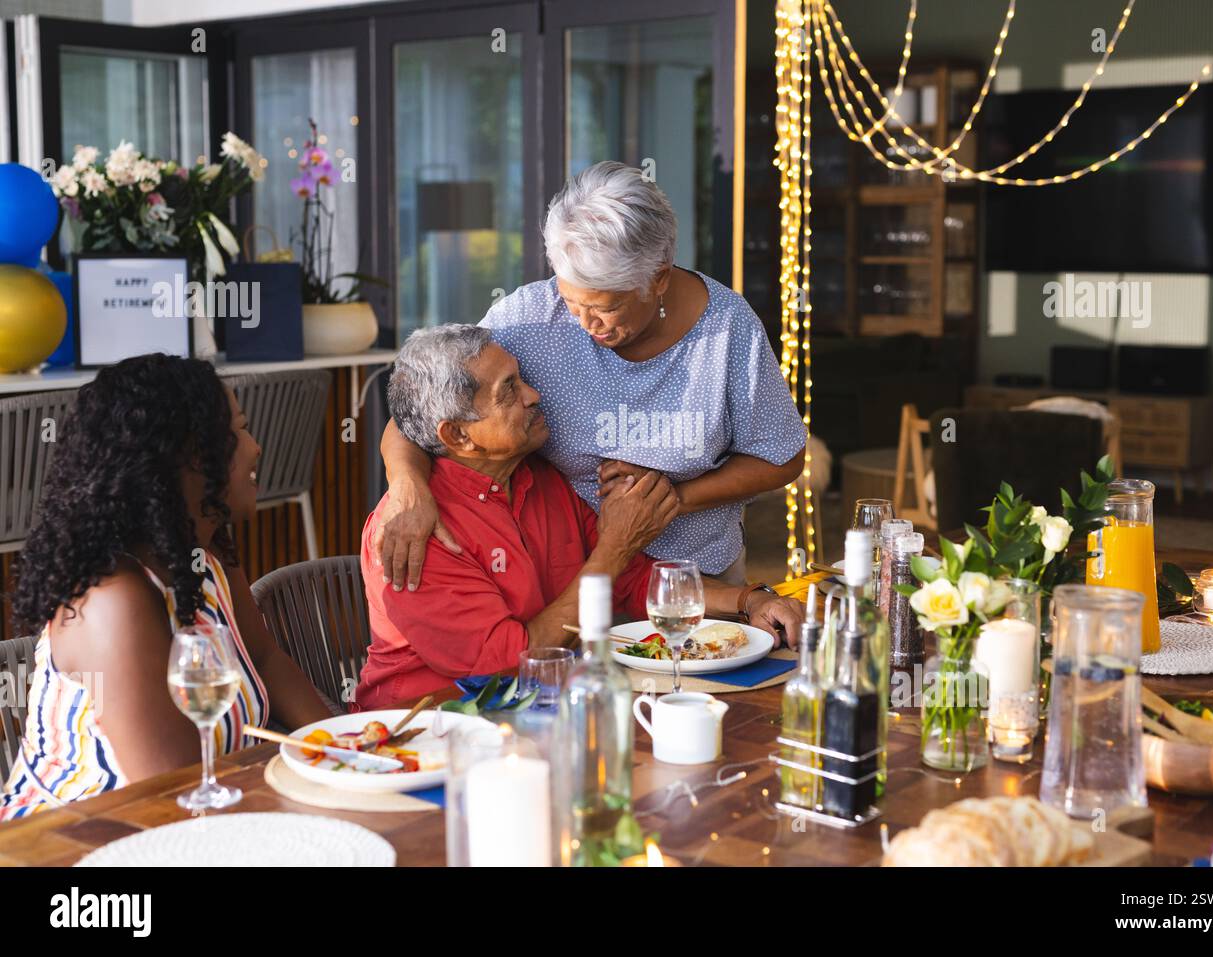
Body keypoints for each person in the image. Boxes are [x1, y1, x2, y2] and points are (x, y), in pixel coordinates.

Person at [375, 161, 807, 591]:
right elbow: (424, 414)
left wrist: (668, 500)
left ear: (658, 279)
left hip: (696, 581)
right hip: (562, 584)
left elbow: (780, 457)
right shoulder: (529, 320)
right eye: (571, 301)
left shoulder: (727, 327)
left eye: (606, 307)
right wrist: (409, 488)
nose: (585, 323)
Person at [355, 325, 805, 710]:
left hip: (546, 713)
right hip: (429, 734)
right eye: (509, 390)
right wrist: (615, 547)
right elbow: (509, 664)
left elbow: (633, 580)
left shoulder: (539, 480)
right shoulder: (414, 531)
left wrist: (750, 600)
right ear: (458, 435)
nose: (533, 395)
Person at [0, 355, 332, 820]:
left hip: (204, 814)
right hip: (77, 839)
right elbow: (174, 790)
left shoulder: (207, 554)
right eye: (239, 431)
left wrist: (347, 751)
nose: (255, 448)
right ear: (187, 457)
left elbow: (265, 659)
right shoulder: (113, 599)